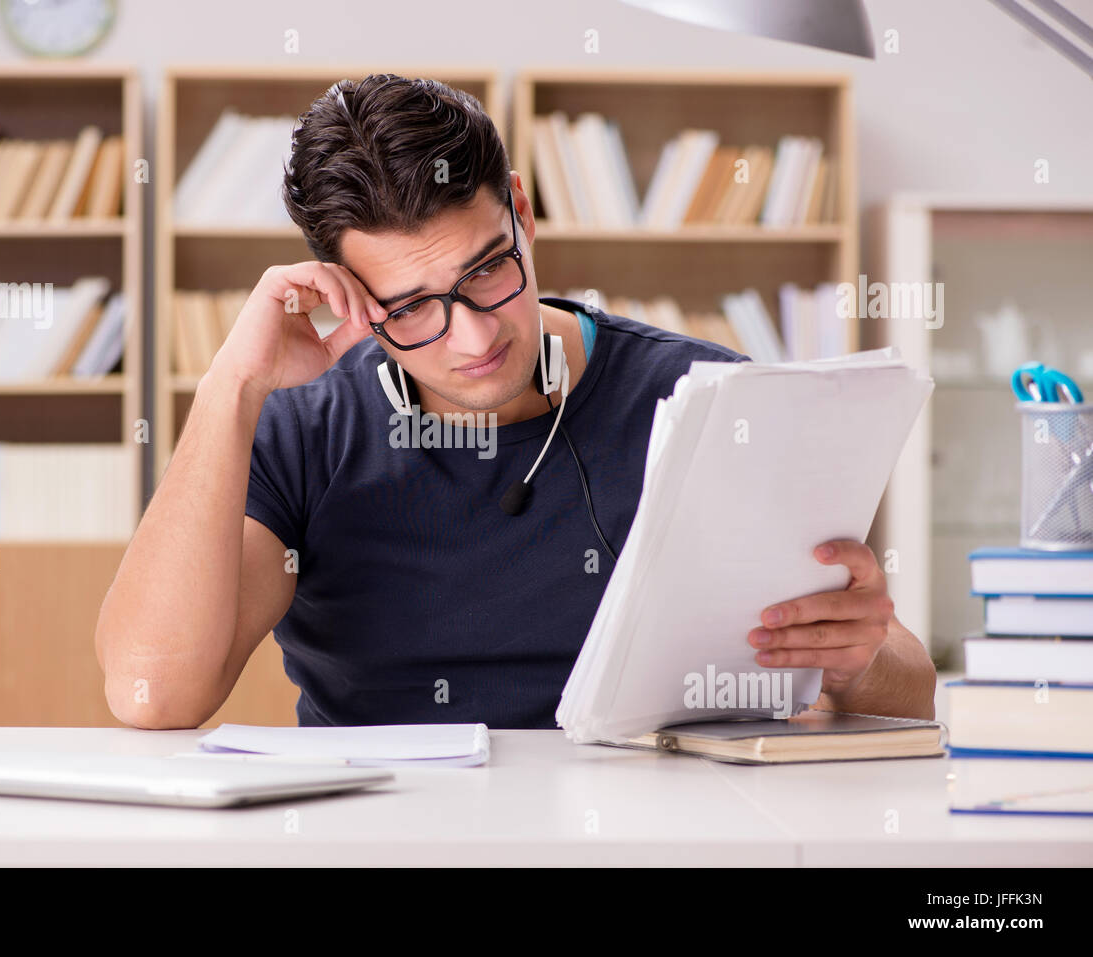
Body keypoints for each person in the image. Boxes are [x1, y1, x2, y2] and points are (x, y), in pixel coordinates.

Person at [95, 74, 935, 729]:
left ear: (524, 213)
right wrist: (228, 387)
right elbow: (153, 692)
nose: (471, 339)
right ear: (348, 297)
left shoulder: (713, 400)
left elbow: (905, 689)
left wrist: (857, 658)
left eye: (487, 270)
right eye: (411, 306)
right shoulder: (304, 426)